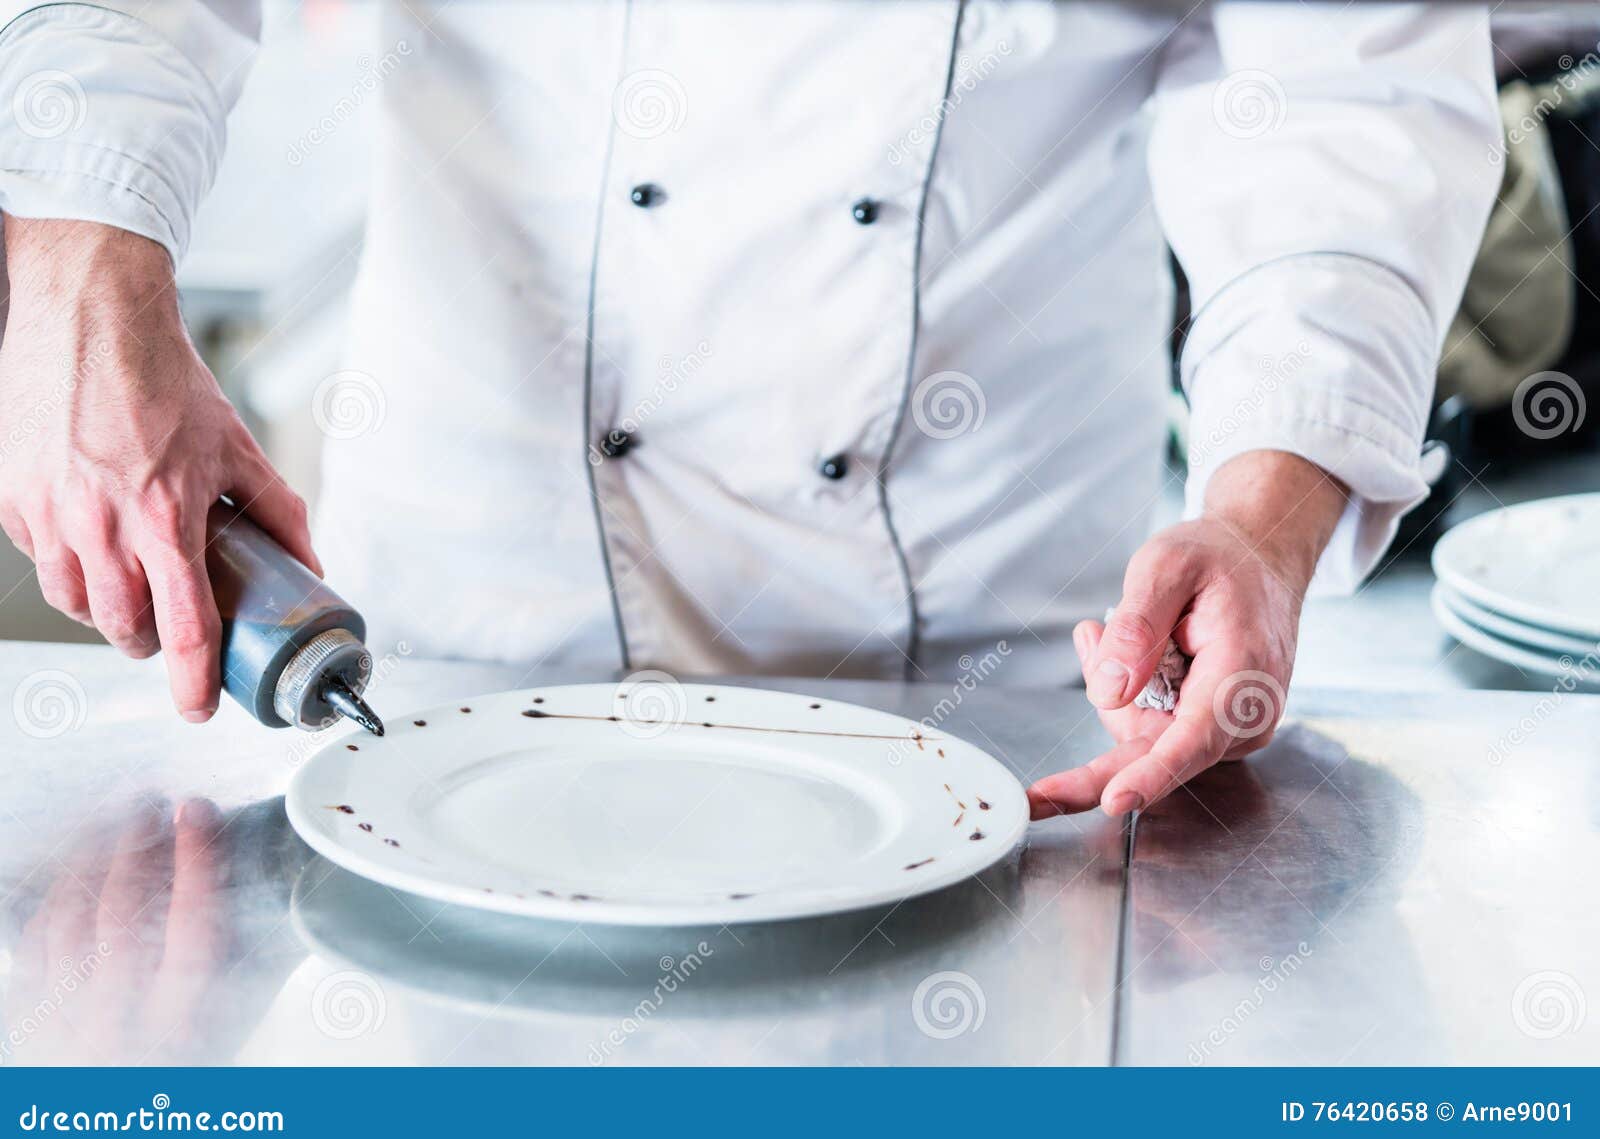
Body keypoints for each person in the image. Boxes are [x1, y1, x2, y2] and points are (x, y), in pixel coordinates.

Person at [0, 1, 1499, 819]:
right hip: (468, 618)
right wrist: (80, 255)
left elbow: (1349, 98)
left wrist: (1266, 510)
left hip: (1012, 692)